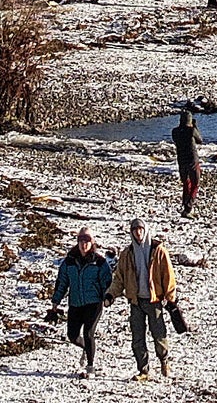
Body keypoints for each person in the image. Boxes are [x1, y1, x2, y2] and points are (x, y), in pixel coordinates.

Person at [107, 218, 176, 381]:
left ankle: (164, 361)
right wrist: (111, 295)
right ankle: (143, 370)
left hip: (154, 301)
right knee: (137, 338)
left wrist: (170, 298)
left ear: (145, 230)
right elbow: (119, 279)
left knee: (159, 334)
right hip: (135, 301)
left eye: (140, 229)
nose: (138, 232)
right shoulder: (127, 254)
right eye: (135, 230)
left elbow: (168, 275)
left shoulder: (158, 251)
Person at [49, 227, 113, 376]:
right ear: (77, 242)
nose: (84, 244)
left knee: (88, 332)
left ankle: (90, 367)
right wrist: (55, 301)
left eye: (87, 241)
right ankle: (85, 347)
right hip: (75, 303)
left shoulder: (100, 262)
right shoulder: (69, 262)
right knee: (72, 335)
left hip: (94, 303)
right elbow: (62, 282)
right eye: (81, 241)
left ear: (92, 242)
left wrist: (108, 297)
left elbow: (107, 282)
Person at [172, 108, 201, 217]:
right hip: (192, 160)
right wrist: (195, 126)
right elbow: (200, 140)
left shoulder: (175, 131)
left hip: (181, 160)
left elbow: (177, 139)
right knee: (195, 184)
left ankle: (185, 205)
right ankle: (189, 207)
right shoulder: (191, 130)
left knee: (186, 183)